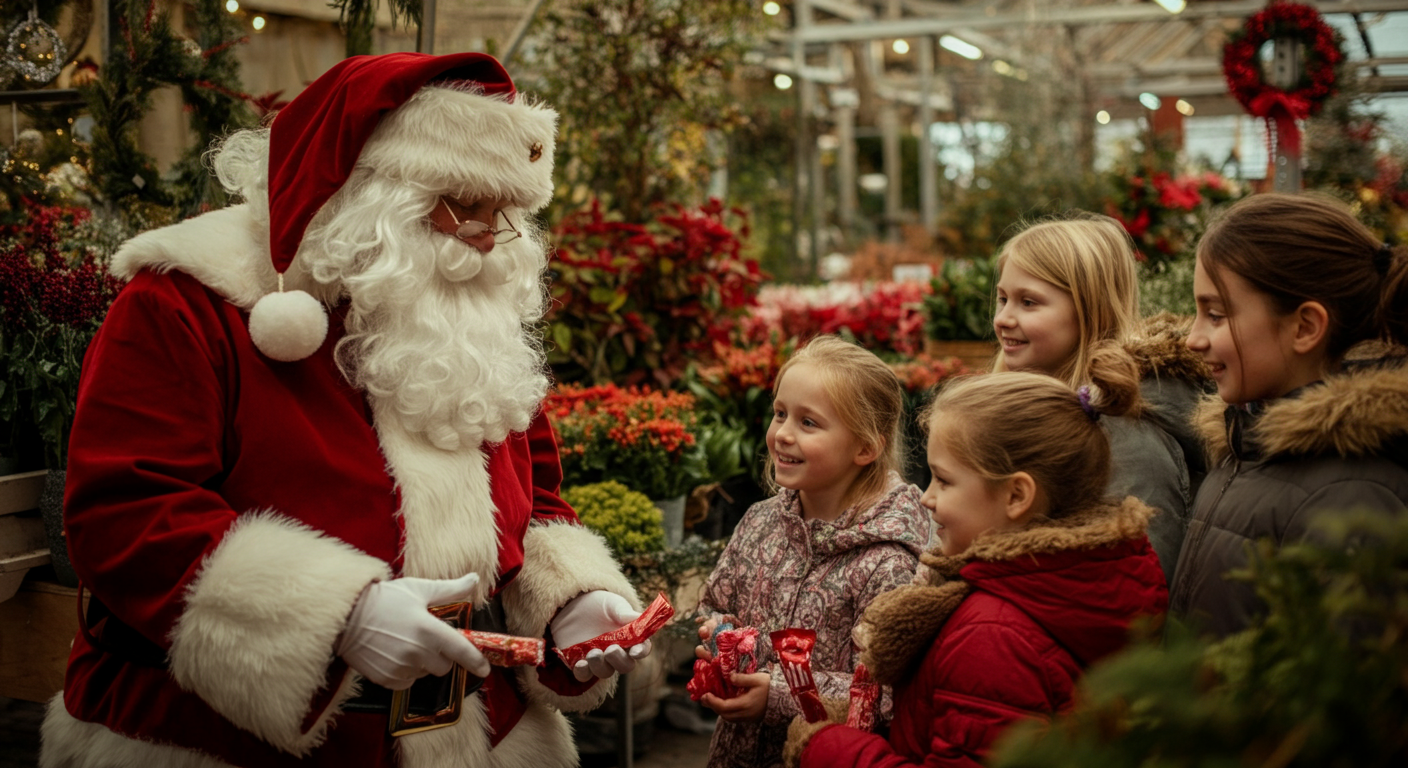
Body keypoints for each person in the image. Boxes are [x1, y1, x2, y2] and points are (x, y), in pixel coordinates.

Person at [41, 53, 652, 768]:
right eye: (467, 204)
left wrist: (570, 602)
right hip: (222, 742)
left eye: (508, 211)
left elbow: (535, 499)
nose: (490, 236)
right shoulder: (186, 306)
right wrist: (338, 614)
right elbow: (127, 513)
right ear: (366, 191)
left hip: (477, 733)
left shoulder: (467, 318)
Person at [784, 351, 1168, 768]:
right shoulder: (1072, 586)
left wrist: (828, 748)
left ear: (1016, 496)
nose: (926, 497)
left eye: (944, 480)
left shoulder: (992, 636)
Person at [1169, 192, 1408, 638]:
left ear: (1305, 327)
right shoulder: (1246, 447)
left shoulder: (1354, 496)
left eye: (1216, 315)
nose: (1192, 338)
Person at [693, 335, 930, 768]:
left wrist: (779, 697)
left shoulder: (888, 562)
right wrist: (717, 634)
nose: (782, 434)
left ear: (865, 447)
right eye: (780, 414)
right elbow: (714, 603)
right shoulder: (761, 521)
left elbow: (884, 693)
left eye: (808, 423)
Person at [990, 213, 1207, 583]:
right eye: (1003, 299)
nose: (1003, 319)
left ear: (1089, 310)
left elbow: (1137, 587)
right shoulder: (1021, 409)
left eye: (1028, 302)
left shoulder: (1124, 438)